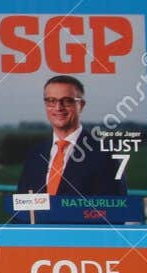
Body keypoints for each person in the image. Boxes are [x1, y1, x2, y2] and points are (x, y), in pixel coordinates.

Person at [14, 75, 127, 206]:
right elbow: (21, 207)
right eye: (51, 101)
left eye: (67, 101)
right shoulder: (35, 153)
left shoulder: (105, 153)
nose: (58, 107)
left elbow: (116, 209)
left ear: (81, 105)